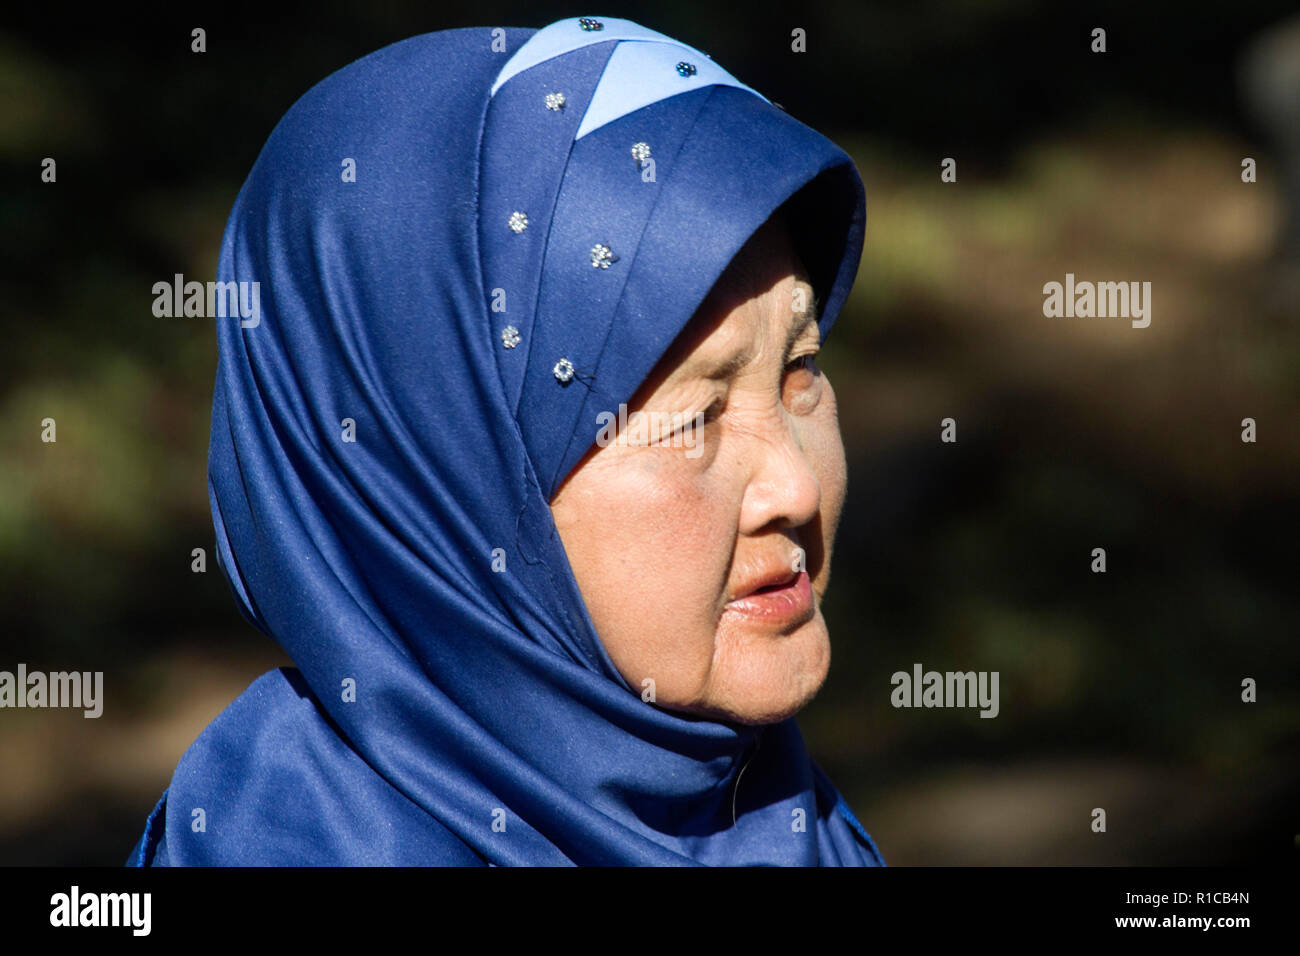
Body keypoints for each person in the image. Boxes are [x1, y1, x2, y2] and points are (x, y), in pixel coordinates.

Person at [127, 15, 884, 866]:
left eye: (800, 370)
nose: (795, 486)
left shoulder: (778, 816)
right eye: (692, 418)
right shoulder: (295, 844)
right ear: (448, 472)